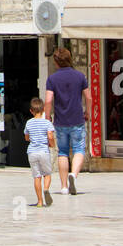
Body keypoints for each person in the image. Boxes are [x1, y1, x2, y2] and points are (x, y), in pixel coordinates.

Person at [44, 47, 90, 195]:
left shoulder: (52, 79)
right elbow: (88, 97)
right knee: (78, 149)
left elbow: (48, 100)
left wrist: (47, 116)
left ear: (56, 62)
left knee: (62, 152)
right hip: (77, 119)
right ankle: (73, 175)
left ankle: (64, 186)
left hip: (60, 120)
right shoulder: (80, 76)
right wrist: (88, 111)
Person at [24, 98, 55, 208]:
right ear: (43, 110)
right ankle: (46, 189)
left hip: (32, 152)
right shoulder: (47, 123)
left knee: (37, 176)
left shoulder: (29, 123)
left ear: (31, 111)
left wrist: (32, 138)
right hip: (43, 152)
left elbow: (27, 137)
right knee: (47, 174)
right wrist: (52, 144)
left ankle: (40, 201)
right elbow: (50, 136)